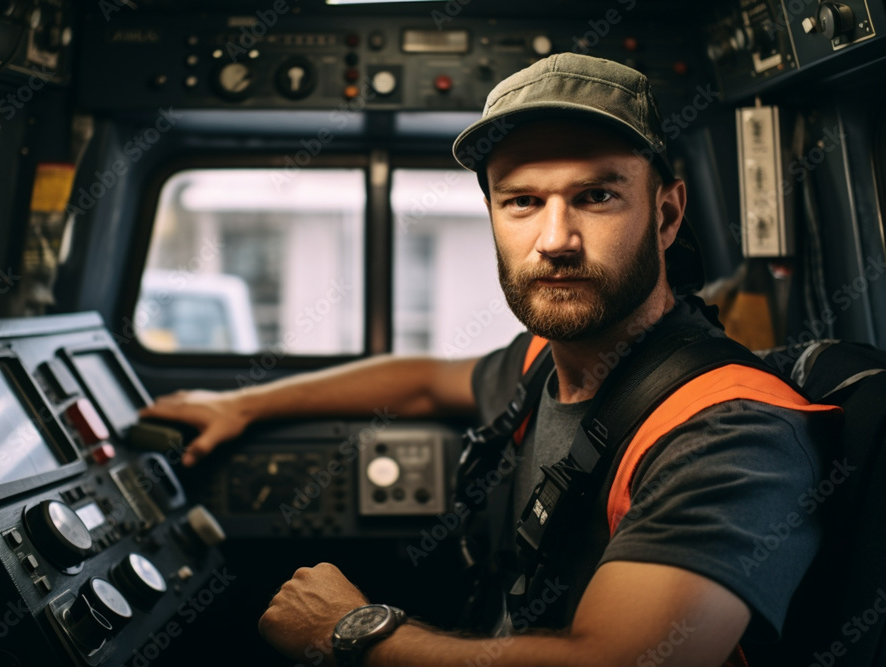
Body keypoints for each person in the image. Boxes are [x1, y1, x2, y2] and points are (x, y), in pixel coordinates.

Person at [141, 53, 837, 667]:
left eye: (596, 196)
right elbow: (420, 383)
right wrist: (241, 403)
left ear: (666, 214)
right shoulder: (543, 361)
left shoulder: (731, 431)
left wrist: (355, 630)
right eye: (523, 201)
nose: (555, 238)